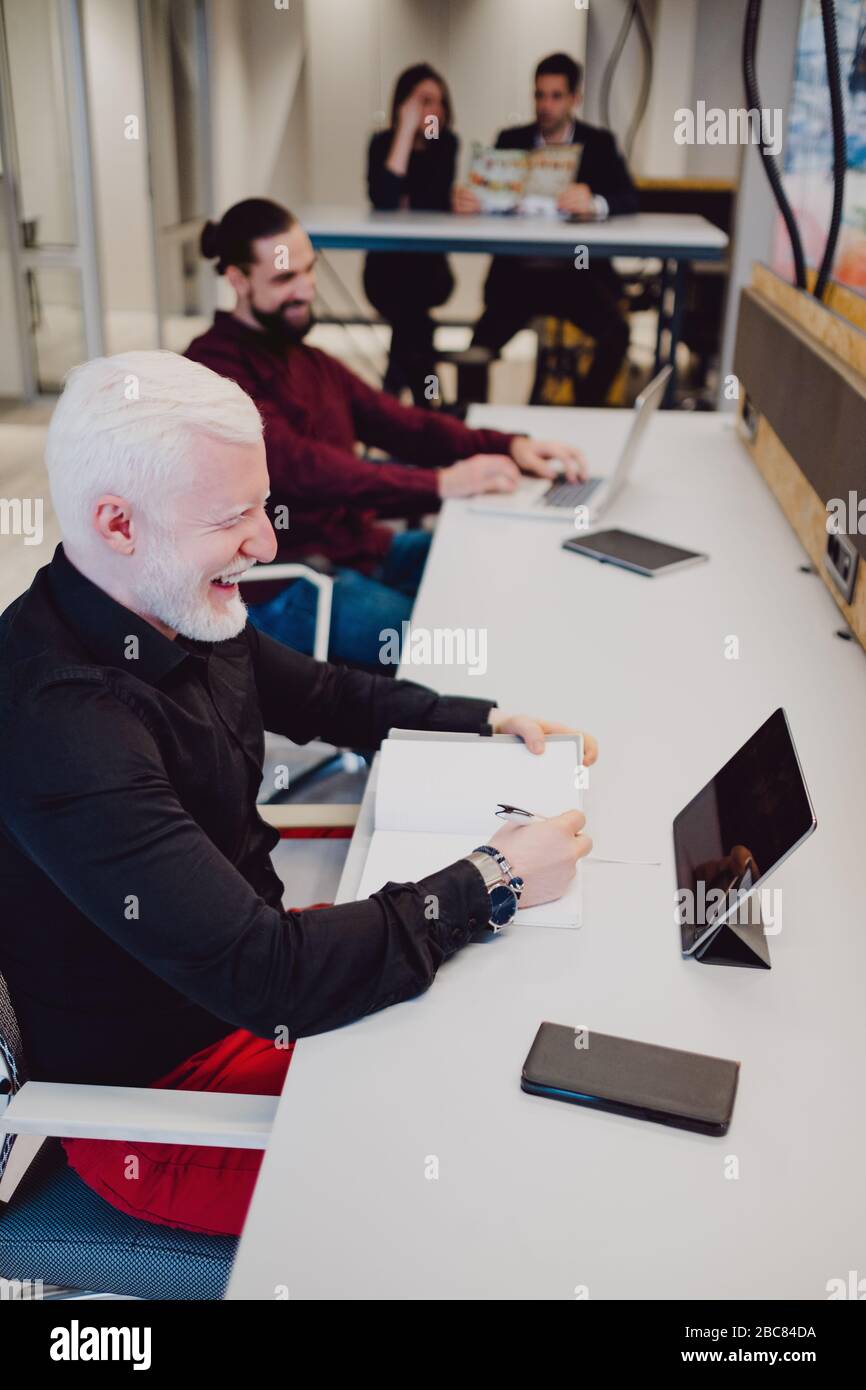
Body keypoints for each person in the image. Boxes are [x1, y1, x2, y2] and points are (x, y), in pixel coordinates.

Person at [0, 350, 596, 1237]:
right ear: (118, 524)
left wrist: (482, 721)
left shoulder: (174, 597)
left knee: (510, 1057)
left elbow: (323, 695)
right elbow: (266, 973)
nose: (267, 542)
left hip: (257, 1009)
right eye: (232, 516)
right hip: (166, 1107)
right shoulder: (63, 725)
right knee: (480, 1189)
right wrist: (491, 880)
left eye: (261, 504)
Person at [186, 198, 586, 669]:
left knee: (499, 572)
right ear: (237, 280)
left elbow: (404, 425)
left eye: (309, 271)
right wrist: (442, 485)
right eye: (284, 278)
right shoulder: (213, 371)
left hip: (358, 551)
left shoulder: (307, 360)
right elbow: (307, 471)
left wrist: (508, 445)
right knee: (452, 648)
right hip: (288, 580)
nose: (306, 290)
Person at [453, 52, 638, 407]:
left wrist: (595, 200)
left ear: (574, 99)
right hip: (519, 276)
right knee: (476, 348)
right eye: (539, 95)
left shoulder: (597, 144)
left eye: (555, 96)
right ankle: (472, 428)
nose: (545, 105)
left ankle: (584, 409)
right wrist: (476, 201)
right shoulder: (510, 139)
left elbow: (629, 198)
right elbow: (489, 194)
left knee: (617, 334)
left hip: (576, 274)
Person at [364, 63, 458, 406]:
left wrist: (408, 197)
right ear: (404, 104)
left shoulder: (445, 145)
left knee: (410, 314)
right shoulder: (383, 143)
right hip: (384, 274)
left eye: (438, 102)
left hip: (431, 272)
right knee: (415, 321)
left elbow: (430, 202)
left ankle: (394, 394)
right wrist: (404, 131)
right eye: (422, 101)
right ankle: (427, 404)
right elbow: (386, 200)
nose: (431, 110)